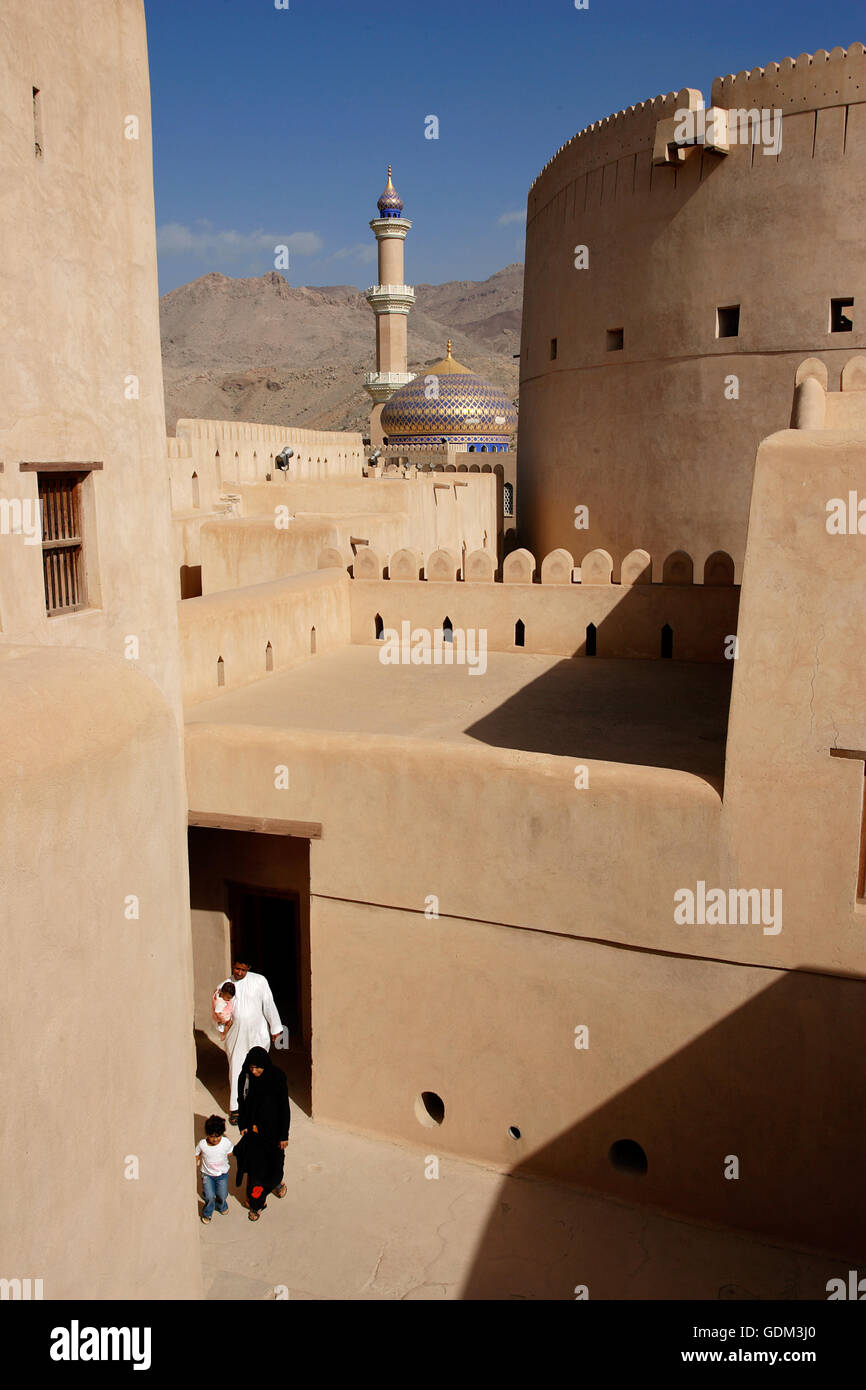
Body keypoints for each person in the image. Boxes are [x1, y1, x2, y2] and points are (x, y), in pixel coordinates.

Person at [234, 1046, 290, 1222]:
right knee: (256, 1171)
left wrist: (283, 1135)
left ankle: (274, 1183)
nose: (254, 1071)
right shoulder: (245, 1077)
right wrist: (243, 1124)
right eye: (251, 1067)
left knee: (275, 1166)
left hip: (274, 1134)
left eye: (258, 1067)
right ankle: (256, 1204)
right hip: (254, 1134)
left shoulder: (277, 1077)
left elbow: (284, 1108)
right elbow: (241, 1102)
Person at [225, 959, 283, 1125]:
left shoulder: (259, 981)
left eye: (243, 970)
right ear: (233, 966)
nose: (239, 973)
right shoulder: (226, 985)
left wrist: (276, 1028)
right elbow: (218, 1008)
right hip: (236, 1036)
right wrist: (222, 1025)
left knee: (259, 1069)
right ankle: (235, 1107)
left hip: (258, 1033)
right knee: (237, 1068)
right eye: (237, 969)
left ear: (248, 968)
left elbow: (268, 1004)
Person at [195, 1115, 234, 1223]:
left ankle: (221, 1205)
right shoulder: (202, 1144)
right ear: (207, 1134)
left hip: (222, 1175)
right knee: (209, 1196)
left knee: (222, 1194)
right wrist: (196, 1161)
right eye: (212, 1136)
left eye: (218, 1136)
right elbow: (197, 1153)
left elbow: (231, 1152)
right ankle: (207, 1213)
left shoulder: (225, 1142)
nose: (215, 1139)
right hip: (206, 1175)